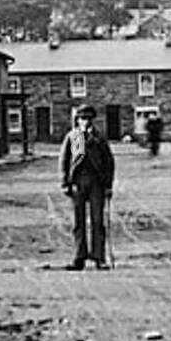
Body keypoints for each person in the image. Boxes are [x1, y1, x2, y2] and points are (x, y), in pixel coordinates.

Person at [60, 105, 115, 270]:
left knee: (98, 221)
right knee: (79, 222)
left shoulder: (99, 138)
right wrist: (65, 183)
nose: (85, 122)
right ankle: (79, 257)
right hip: (78, 182)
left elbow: (109, 163)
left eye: (88, 119)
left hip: (96, 183)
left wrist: (108, 185)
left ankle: (99, 257)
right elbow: (64, 161)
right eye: (82, 119)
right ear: (77, 120)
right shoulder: (72, 137)